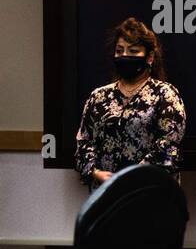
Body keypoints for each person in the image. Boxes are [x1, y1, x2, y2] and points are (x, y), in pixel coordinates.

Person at [75, 18, 186, 189]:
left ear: (149, 57)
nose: (125, 56)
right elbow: (84, 142)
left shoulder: (165, 95)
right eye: (120, 51)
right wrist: (95, 172)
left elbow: (168, 147)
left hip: (150, 192)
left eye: (133, 51)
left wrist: (131, 177)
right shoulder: (98, 97)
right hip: (107, 195)